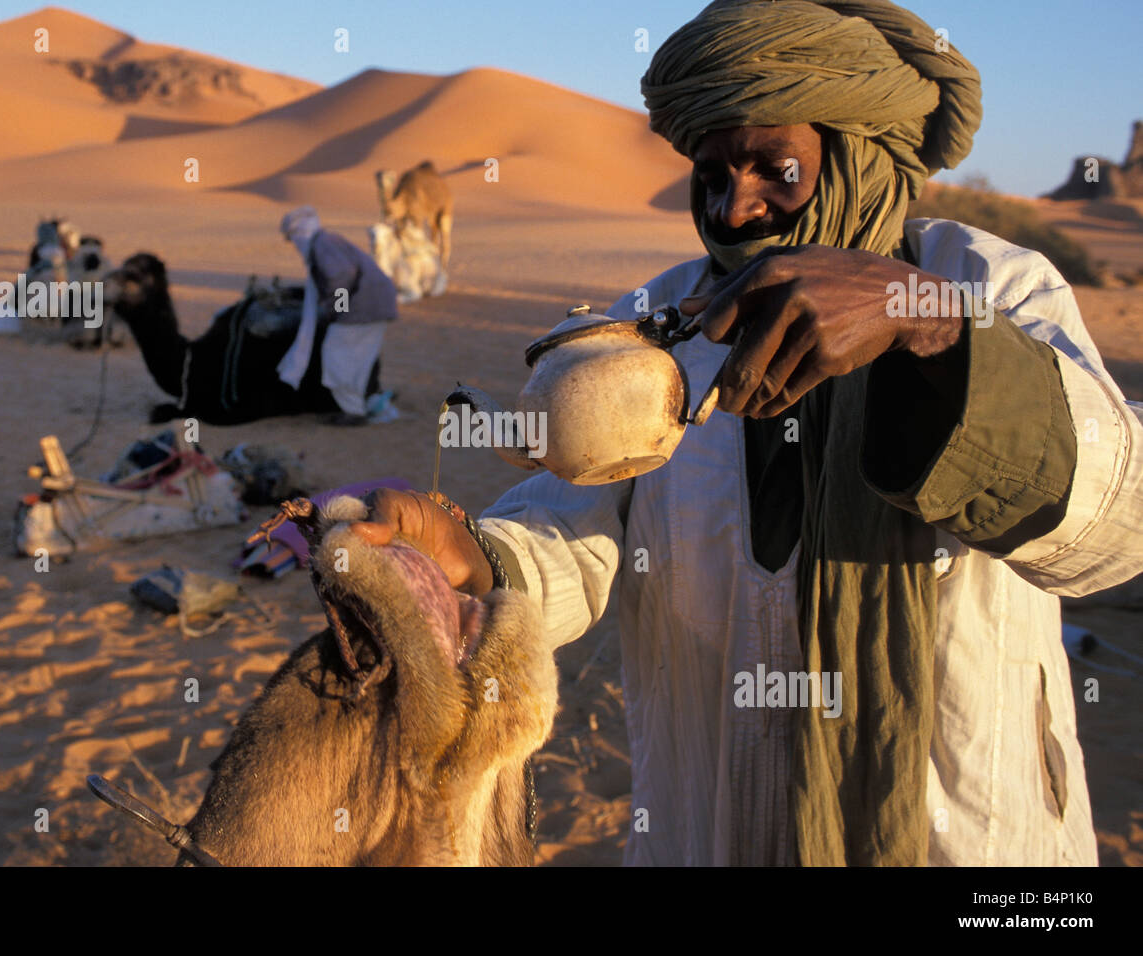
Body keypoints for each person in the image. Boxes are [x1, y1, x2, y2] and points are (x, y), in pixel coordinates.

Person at [348, 0, 1143, 866]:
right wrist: (467, 555)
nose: (736, 209)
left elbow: (1116, 527)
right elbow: (579, 531)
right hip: (714, 815)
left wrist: (931, 329)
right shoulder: (662, 322)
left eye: (776, 170)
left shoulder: (991, 287)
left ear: (854, 157)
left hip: (965, 836)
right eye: (714, 175)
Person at [278, 206, 398, 425]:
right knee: (355, 357)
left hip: (365, 306)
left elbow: (342, 275)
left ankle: (353, 411)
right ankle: (365, 399)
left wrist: (339, 309)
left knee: (338, 356)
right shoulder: (326, 241)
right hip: (376, 302)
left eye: (291, 238)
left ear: (299, 233)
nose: (293, 244)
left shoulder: (322, 244)